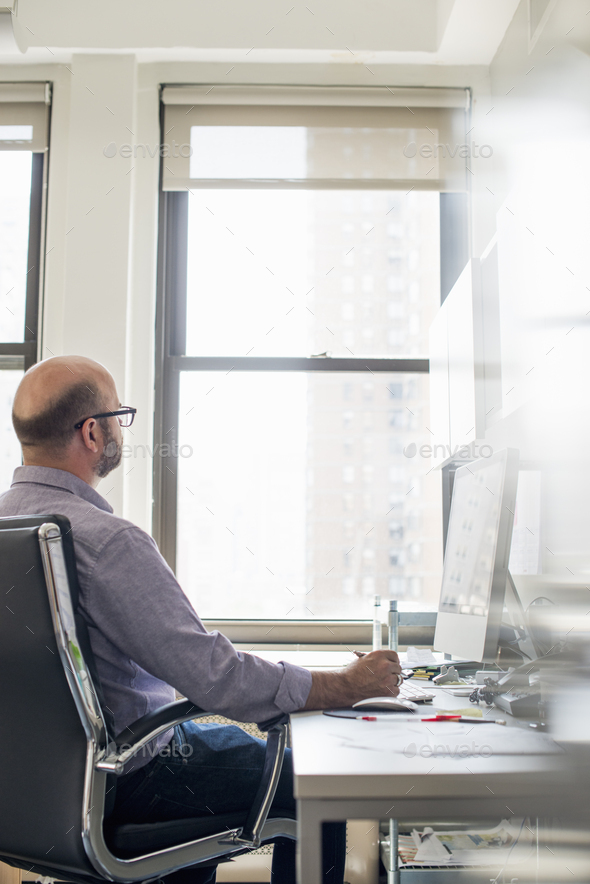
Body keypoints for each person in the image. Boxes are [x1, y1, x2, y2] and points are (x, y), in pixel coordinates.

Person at [0, 356, 404, 884]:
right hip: (126, 783)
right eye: (120, 413)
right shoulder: (107, 541)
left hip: (26, 794)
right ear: (93, 432)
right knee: (311, 782)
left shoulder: (11, 529)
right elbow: (218, 679)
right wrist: (343, 685)